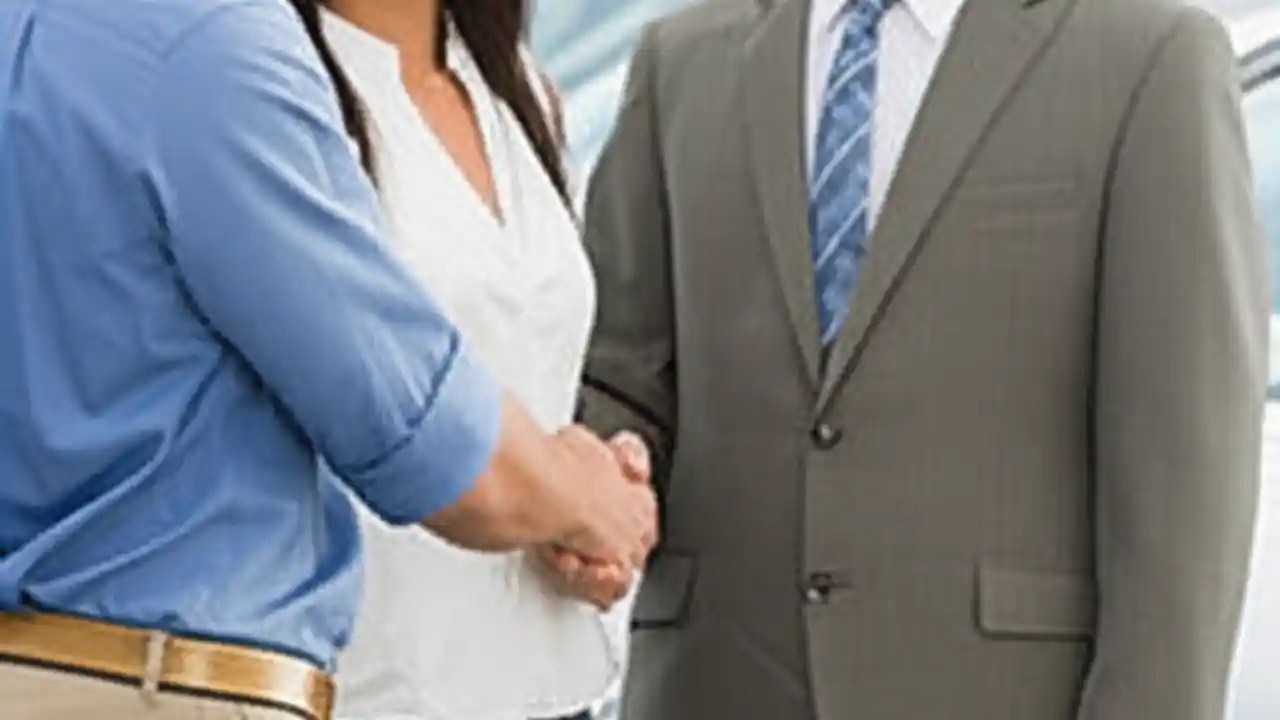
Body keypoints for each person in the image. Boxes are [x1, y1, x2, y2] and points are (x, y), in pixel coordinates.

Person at [579, 0, 1268, 718]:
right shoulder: (679, 60)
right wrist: (599, 473)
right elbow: (617, 378)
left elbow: (1184, 460)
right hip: (714, 688)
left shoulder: (1149, 55)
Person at [0, 0, 657, 718]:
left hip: (545, 667)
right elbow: (421, 436)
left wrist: (589, 501)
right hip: (321, 680)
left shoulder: (517, 94)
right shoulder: (226, 55)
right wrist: (590, 503)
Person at [286, 1, 644, 719]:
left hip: (558, 679)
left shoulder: (519, 91)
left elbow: (537, 358)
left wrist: (608, 485)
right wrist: (580, 501)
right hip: (377, 683)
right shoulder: (281, 97)